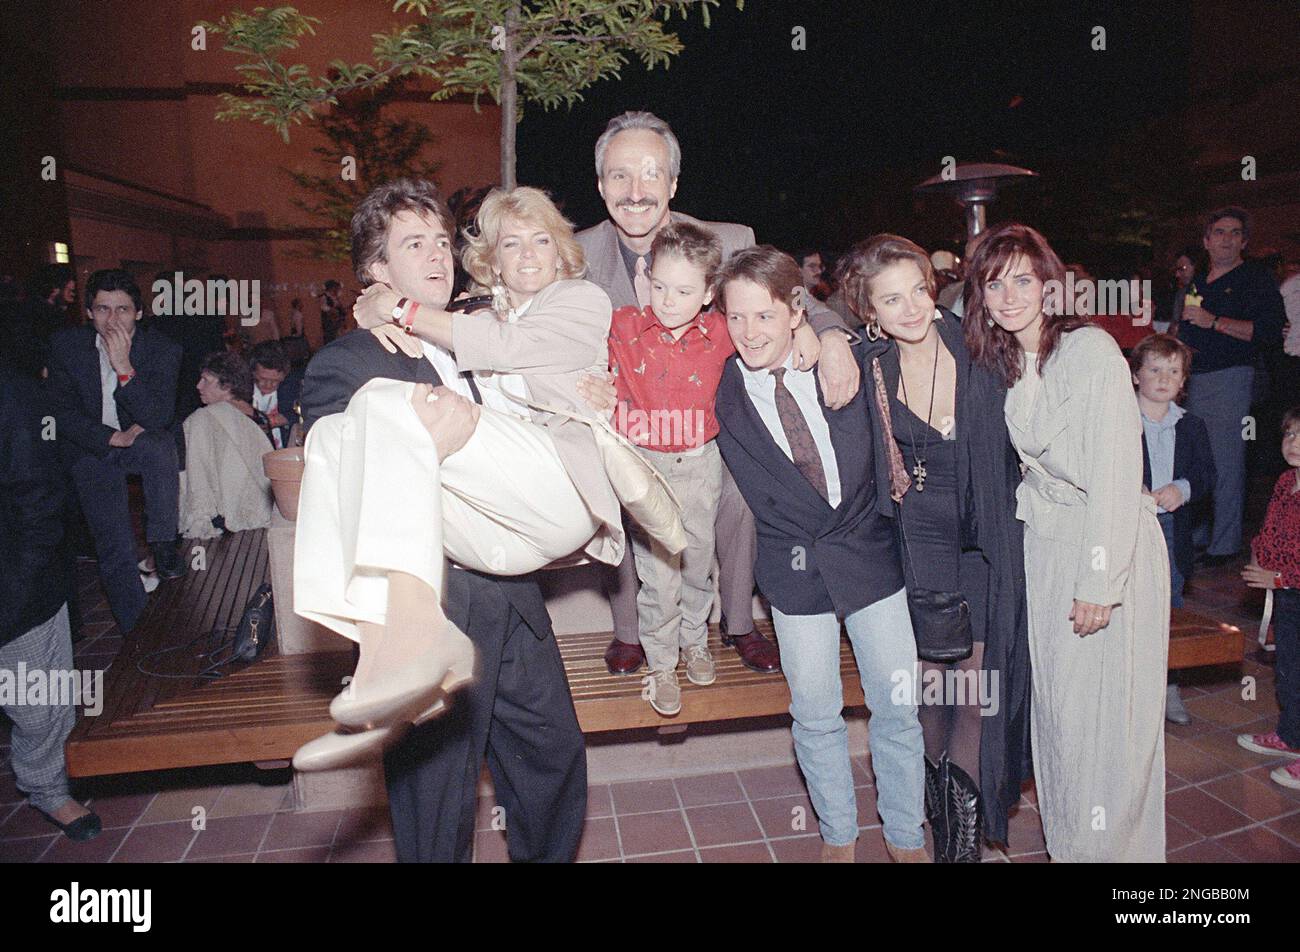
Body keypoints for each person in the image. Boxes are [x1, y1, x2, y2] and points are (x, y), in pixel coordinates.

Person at [296, 178, 589, 862]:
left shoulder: (478, 329)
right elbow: (346, 481)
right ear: (374, 270)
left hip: (513, 597)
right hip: (438, 591)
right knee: (435, 800)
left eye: (440, 242)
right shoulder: (345, 363)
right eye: (412, 245)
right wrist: (432, 451)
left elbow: (566, 279)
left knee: (554, 760)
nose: (437, 256)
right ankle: (399, 651)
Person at [578, 110, 862, 677]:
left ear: (674, 184)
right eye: (619, 176)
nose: (636, 192)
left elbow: (794, 296)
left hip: (712, 421)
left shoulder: (727, 242)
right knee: (618, 485)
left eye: (651, 175)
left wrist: (827, 335)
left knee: (738, 483)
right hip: (625, 427)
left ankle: (736, 622)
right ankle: (632, 631)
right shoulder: (576, 256)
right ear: (600, 183)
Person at [713, 245, 928, 863]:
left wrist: (829, 335)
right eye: (737, 318)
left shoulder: (848, 359)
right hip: (794, 568)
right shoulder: (721, 388)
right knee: (814, 712)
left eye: (765, 315)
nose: (751, 332)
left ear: (794, 309)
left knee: (896, 705)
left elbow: (909, 329)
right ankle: (838, 835)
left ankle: (906, 836)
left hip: (868, 554)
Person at [965, 222, 1168, 862]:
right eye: (994, 283)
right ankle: (1075, 849)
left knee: (1111, 729)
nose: (1008, 295)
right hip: (1048, 546)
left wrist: (1098, 585)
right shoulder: (1008, 359)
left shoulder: (1089, 351)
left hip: (1103, 550)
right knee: (1061, 721)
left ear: (1051, 284)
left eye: (1023, 279)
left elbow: (1115, 472)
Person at [837, 234, 1031, 861]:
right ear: (869, 311)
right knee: (926, 695)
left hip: (982, 542)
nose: (913, 308)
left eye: (919, 290)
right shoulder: (869, 362)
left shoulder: (978, 344)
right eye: (892, 300)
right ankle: (927, 824)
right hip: (914, 550)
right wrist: (830, 337)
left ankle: (961, 851)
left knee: (973, 691)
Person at [608, 221, 730, 716]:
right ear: (645, 277)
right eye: (659, 286)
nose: (669, 299)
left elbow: (775, 320)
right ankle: (660, 664)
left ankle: (695, 640)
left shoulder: (722, 332)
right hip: (646, 467)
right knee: (658, 571)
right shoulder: (622, 326)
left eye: (683, 290)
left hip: (702, 462)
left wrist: (810, 329)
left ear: (708, 292)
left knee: (699, 561)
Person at [46, 269, 185, 635]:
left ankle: (163, 543)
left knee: (159, 444)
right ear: (89, 313)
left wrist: (124, 367)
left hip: (140, 441)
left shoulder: (162, 350)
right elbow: (60, 412)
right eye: (103, 309)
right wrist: (110, 438)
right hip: (93, 447)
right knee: (115, 547)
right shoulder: (66, 347)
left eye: (122, 309)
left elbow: (158, 416)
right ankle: (138, 631)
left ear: (138, 313)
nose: (112, 319)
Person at [0, 363, 102, 842]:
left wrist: (17, 595)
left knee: (39, 704)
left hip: (18, 582)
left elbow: (40, 504)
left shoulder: (16, 396)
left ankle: (47, 788)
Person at [1176, 207, 1286, 566]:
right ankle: (1196, 534)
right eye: (1220, 232)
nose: (1227, 239)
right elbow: (1187, 324)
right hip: (1191, 380)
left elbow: (1270, 332)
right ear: (1206, 241)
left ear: (1245, 241)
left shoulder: (1255, 278)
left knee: (1225, 463)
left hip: (1230, 378)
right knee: (1194, 460)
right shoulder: (1199, 280)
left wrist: (1215, 322)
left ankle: (1223, 544)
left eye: (1235, 233)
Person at [1129, 334, 1215, 725]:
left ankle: (1168, 687)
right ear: (1136, 375)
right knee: (1129, 603)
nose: (1164, 378)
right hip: (1130, 526)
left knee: (1169, 606)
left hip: (1171, 530)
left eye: (1174, 371)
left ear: (1183, 382)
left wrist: (1182, 488)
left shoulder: (1192, 425)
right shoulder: (1123, 420)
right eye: (1155, 369)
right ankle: (1129, 689)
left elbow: (1207, 474)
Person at [1237, 405, 1300, 790]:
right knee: (1289, 670)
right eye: (1290, 434)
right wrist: (1259, 553)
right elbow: (1271, 527)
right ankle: (1292, 735)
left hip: (1289, 584)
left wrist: (1278, 577)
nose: (1294, 443)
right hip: (1288, 596)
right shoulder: (1284, 482)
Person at [178, 352, 274, 539]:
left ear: (227, 385)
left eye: (206, 380)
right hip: (264, 507)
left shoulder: (204, 418)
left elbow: (196, 470)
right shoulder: (259, 416)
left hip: (223, 517)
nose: (198, 386)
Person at [248, 340, 302, 448]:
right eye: (262, 379)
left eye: (275, 381)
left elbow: (304, 412)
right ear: (253, 372)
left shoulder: (292, 387)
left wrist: (282, 419)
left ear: (285, 375)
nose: (268, 385)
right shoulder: (242, 390)